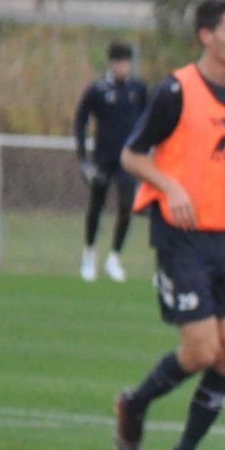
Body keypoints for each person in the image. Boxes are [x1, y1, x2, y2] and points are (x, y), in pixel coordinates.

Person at [113, 0, 225, 450]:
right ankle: (135, 404)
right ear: (206, 36)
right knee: (202, 350)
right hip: (182, 235)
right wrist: (170, 186)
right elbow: (132, 155)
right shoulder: (176, 90)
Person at [73, 41, 149, 282]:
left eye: (126, 62)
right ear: (111, 63)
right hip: (103, 158)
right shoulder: (97, 90)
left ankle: (114, 257)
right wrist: (83, 159)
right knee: (96, 205)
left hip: (128, 159)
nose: (123, 67)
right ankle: (89, 252)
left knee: (126, 206)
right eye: (119, 62)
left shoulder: (138, 89)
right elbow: (80, 121)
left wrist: (145, 151)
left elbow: (148, 121)